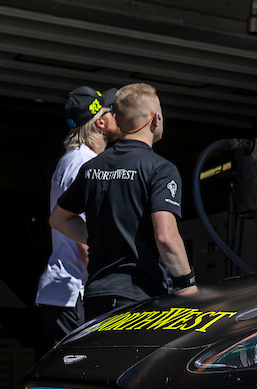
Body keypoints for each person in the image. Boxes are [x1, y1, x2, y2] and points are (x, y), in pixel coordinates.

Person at [50, 83, 196, 319]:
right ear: (155, 119)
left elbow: (58, 219)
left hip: (95, 296)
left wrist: (102, 238)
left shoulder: (91, 168)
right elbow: (166, 237)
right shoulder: (160, 169)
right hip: (139, 297)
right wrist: (188, 285)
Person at [35, 86, 120, 344]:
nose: (117, 116)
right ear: (99, 123)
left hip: (65, 292)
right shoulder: (83, 164)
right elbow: (85, 236)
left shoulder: (72, 159)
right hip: (75, 294)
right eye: (111, 111)